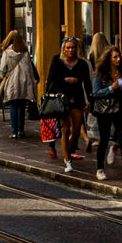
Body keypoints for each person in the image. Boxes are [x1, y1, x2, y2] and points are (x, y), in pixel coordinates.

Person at [46, 37, 93, 173]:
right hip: (61, 99)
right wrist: (64, 80)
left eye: (73, 47)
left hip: (77, 98)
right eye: (68, 47)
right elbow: (51, 80)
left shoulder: (82, 64)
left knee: (77, 130)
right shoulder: (57, 61)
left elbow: (87, 83)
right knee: (65, 129)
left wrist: (89, 99)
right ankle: (67, 161)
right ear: (63, 49)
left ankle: (70, 151)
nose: (70, 50)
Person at [92, 47, 122, 181]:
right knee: (104, 140)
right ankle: (100, 168)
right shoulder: (101, 74)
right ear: (108, 59)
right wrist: (111, 88)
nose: (118, 59)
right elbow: (95, 93)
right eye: (115, 57)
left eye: (119, 57)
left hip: (120, 109)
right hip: (104, 110)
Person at [0, 30, 38, 139]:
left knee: (13, 106)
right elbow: (29, 68)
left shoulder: (7, 52)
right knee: (21, 107)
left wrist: (2, 76)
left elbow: (3, 68)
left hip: (12, 82)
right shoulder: (25, 52)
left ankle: (14, 131)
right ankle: (21, 130)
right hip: (24, 82)